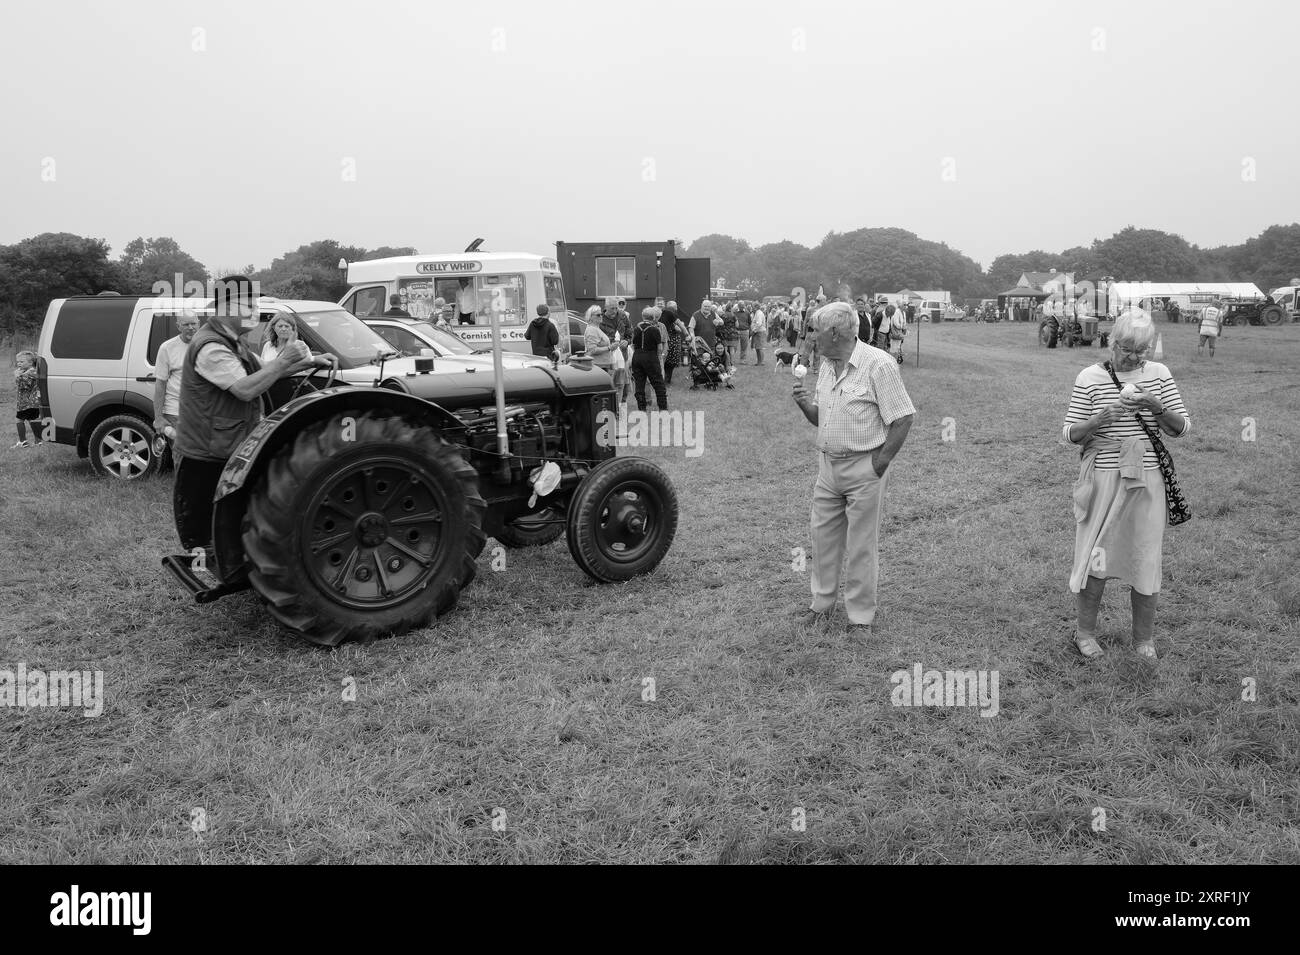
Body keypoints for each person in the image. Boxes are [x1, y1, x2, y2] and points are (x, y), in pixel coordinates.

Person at [1062, 309, 1190, 661]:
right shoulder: (1089, 377)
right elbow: (1069, 434)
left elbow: (1181, 428)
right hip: (1104, 479)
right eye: (1127, 348)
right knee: (1095, 558)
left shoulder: (1159, 375)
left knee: (1145, 558)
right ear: (1111, 341)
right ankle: (1084, 633)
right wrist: (1099, 419)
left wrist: (1155, 405)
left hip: (1147, 481)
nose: (1133, 356)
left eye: (1141, 350)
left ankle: (1143, 639)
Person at [173, 277, 326, 554]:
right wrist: (285, 359)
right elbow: (245, 388)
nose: (255, 310)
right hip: (208, 452)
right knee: (210, 527)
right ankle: (217, 559)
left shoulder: (234, 341)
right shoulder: (211, 346)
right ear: (227, 307)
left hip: (227, 444)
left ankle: (239, 557)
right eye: (249, 304)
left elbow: (264, 372)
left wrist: (310, 361)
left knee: (238, 513)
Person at [791, 303, 915, 632]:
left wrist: (879, 463)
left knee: (861, 545)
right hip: (828, 468)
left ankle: (860, 616)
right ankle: (821, 605)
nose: (811, 337)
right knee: (822, 540)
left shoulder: (879, 364)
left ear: (835, 333)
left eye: (815, 330)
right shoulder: (828, 365)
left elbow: (903, 418)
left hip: (864, 468)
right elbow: (823, 417)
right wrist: (806, 407)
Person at [153, 312, 201, 455]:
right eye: (186, 324)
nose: (191, 327)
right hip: (176, 412)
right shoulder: (167, 348)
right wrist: (158, 418)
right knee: (182, 455)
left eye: (193, 323)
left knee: (201, 454)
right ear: (178, 326)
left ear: (199, 324)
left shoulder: (206, 345)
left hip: (202, 411)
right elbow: (160, 384)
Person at [630, 307, 668, 411]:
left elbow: (633, 344)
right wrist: (658, 359)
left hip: (637, 357)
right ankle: (663, 408)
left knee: (639, 383)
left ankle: (641, 408)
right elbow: (660, 348)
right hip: (650, 356)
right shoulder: (654, 329)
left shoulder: (636, 328)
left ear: (643, 316)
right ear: (654, 317)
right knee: (658, 383)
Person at [11, 350, 42, 449]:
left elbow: (23, 385)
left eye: (22, 362)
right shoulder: (29, 371)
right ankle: (38, 441)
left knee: (19, 419)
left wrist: (17, 375)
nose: (19, 363)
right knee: (32, 420)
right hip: (32, 403)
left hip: (27, 403)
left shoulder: (30, 372)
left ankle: (23, 441)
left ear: (30, 362)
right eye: (18, 362)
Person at [661, 302, 688, 384]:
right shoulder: (669, 315)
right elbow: (679, 329)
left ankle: (667, 379)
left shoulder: (670, 315)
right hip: (670, 341)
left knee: (670, 361)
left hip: (673, 342)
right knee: (668, 361)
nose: (674, 309)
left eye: (674, 307)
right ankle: (666, 380)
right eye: (672, 307)